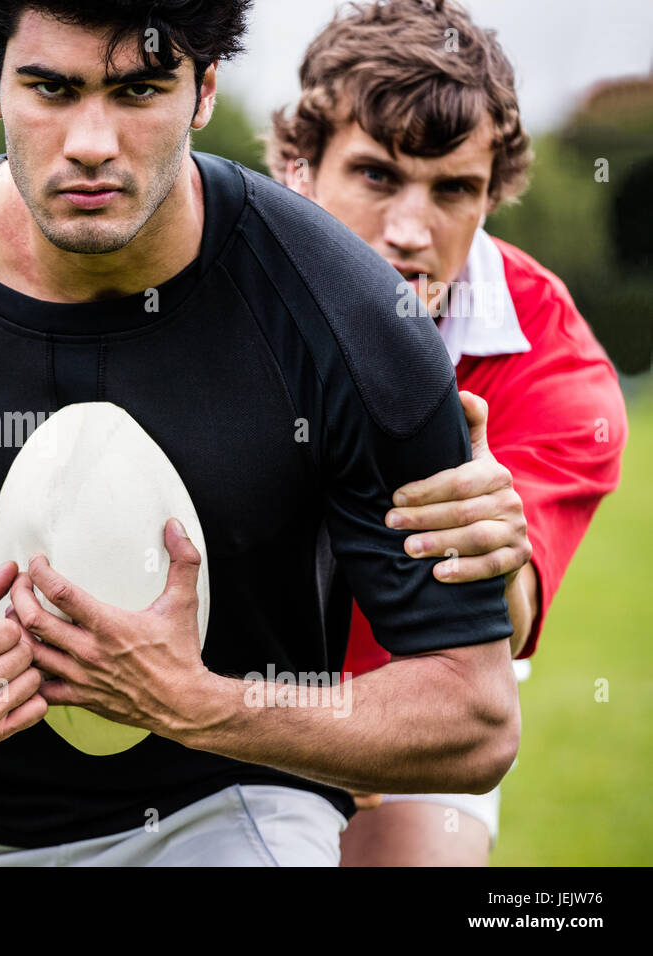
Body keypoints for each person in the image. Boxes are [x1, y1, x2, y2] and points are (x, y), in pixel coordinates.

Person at [0, 0, 522, 866]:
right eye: (52, 88)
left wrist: (196, 703)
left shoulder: (352, 315)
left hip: (229, 802)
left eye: (140, 90)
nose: (92, 142)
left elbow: (474, 719)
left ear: (204, 90)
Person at [264, 0, 627, 865]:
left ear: (491, 194)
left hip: (419, 700)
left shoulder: (556, 364)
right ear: (298, 168)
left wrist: (491, 544)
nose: (410, 232)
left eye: (453, 189)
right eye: (378, 175)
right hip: (214, 689)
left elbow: (513, 611)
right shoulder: (200, 276)